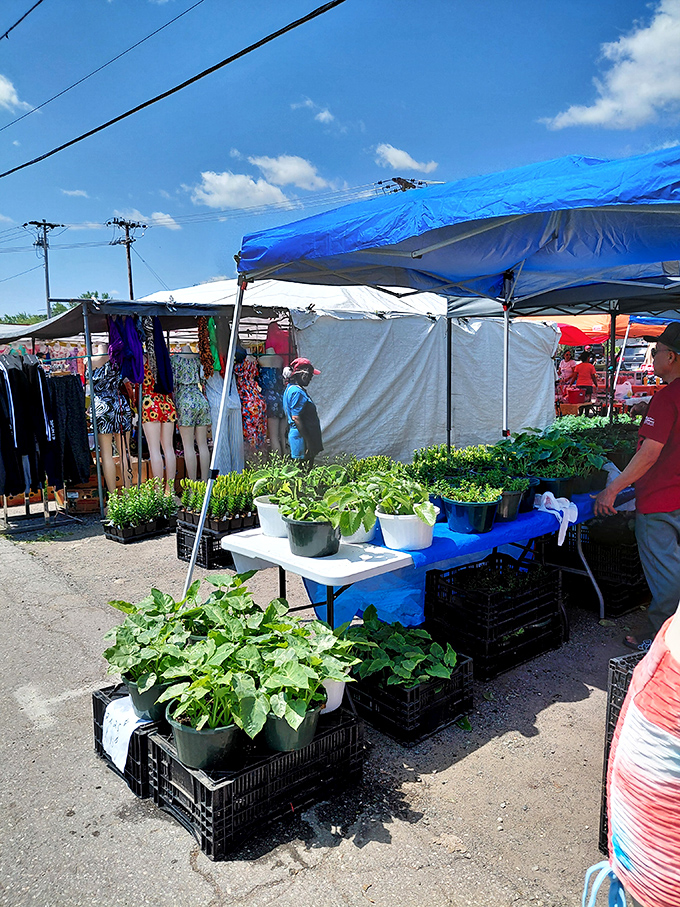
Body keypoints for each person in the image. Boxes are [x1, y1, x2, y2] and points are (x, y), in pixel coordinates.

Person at [594, 323, 680, 650]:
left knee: (666, 576)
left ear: (670, 357)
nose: (652, 357)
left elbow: (649, 454)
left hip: (660, 502)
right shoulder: (665, 399)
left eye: (656, 352)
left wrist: (612, 489)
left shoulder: (668, 398)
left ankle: (661, 643)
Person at [282, 357, 323, 465]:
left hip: (298, 439)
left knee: (300, 474)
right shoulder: (297, 392)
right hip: (302, 441)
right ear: (300, 374)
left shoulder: (290, 389)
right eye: (309, 374)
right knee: (304, 473)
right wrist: (309, 442)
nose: (311, 378)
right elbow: (296, 417)